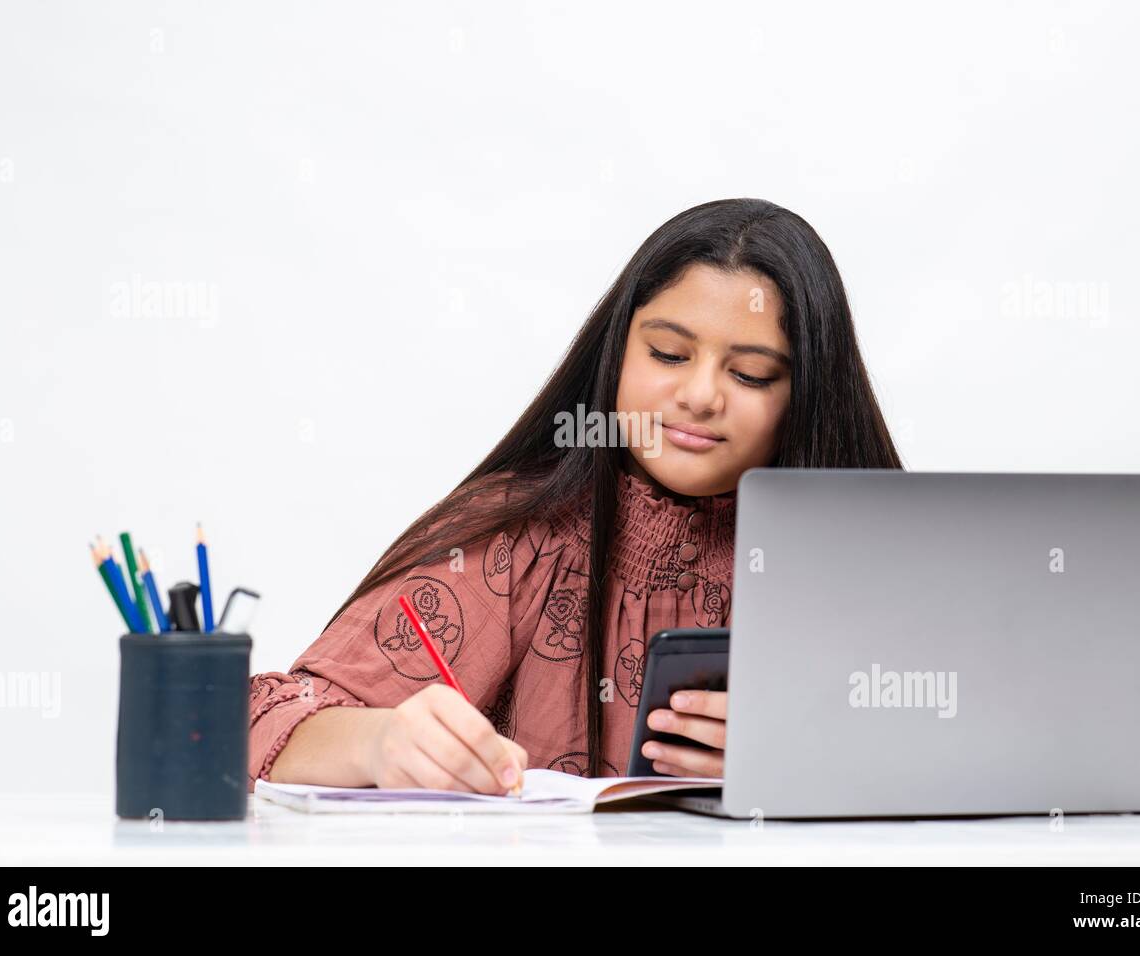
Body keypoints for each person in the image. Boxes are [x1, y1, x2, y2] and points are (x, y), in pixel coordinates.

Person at [248, 197, 902, 795]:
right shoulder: (513, 539)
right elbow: (254, 727)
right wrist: (377, 744)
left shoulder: (862, 561)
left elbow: (976, 735)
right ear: (616, 354)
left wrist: (819, 755)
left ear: (807, 398)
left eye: (750, 373)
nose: (701, 395)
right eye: (669, 354)